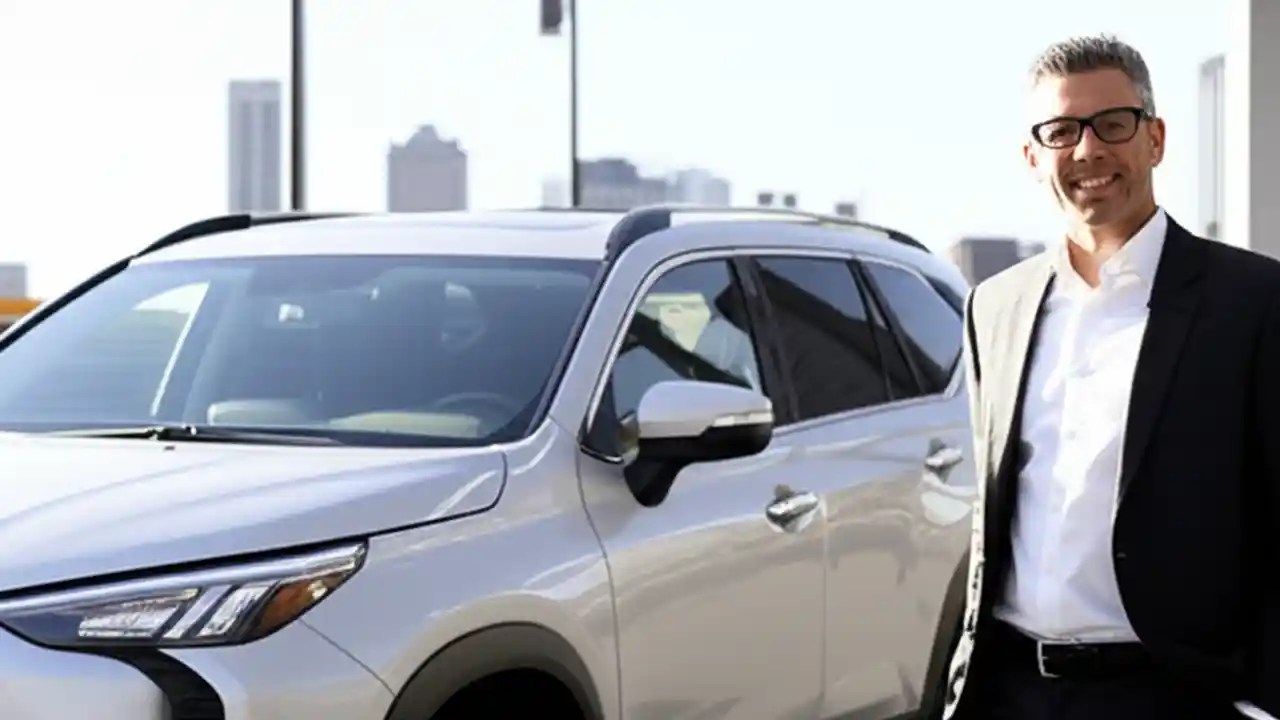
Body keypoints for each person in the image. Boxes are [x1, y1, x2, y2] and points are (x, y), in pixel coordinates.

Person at [942, 34, 1280, 720]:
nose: (1088, 150)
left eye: (1112, 124)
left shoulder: (1253, 300)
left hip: (1173, 694)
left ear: (1154, 139)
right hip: (1008, 688)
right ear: (1033, 157)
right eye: (1061, 131)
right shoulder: (994, 306)